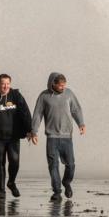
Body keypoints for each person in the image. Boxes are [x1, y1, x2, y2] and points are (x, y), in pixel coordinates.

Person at [28, 72, 86, 201]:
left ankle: (66, 182)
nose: (63, 88)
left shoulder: (69, 94)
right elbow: (37, 114)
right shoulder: (44, 96)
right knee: (53, 165)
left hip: (67, 137)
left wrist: (81, 123)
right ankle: (57, 192)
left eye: (64, 85)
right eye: (60, 86)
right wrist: (34, 131)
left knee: (70, 165)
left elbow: (76, 109)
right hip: (52, 137)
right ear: (53, 84)